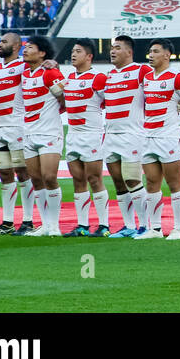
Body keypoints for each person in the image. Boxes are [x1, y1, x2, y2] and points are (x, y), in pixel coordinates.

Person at [0, 32, 35, 236]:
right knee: (4, 173)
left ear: (16, 46)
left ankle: (28, 221)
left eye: (4, 41)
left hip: (18, 127)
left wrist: (50, 63)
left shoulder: (23, 66)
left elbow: (44, 67)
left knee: (23, 172)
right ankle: (7, 222)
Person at [61, 39, 110, 237]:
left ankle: (104, 225)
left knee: (94, 178)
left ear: (89, 56)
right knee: (78, 180)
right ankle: (82, 225)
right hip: (73, 134)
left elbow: (110, 101)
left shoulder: (98, 77)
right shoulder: (68, 78)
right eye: (73, 51)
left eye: (78, 51)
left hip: (91, 135)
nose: (73, 54)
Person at [138, 39, 180, 240]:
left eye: (156, 51)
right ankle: (155, 228)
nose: (151, 55)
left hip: (168, 135)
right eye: (150, 51)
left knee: (174, 182)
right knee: (151, 183)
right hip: (148, 135)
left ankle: (179, 228)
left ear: (167, 55)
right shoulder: (146, 77)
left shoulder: (177, 77)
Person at [19, 35, 66, 236]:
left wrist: (57, 69)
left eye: (30, 47)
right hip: (29, 133)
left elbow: (65, 98)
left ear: (42, 53)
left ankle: (54, 225)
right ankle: (45, 225)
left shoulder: (49, 73)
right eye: (25, 47)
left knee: (49, 177)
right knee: (36, 180)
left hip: (49, 132)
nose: (25, 50)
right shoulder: (24, 73)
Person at [102, 35, 148, 238]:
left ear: (129, 52)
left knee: (132, 179)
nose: (112, 51)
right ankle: (128, 226)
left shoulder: (141, 71)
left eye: (117, 47)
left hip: (132, 134)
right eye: (112, 47)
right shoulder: (109, 75)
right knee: (118, 182)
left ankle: (146, 225)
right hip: (111, 135)